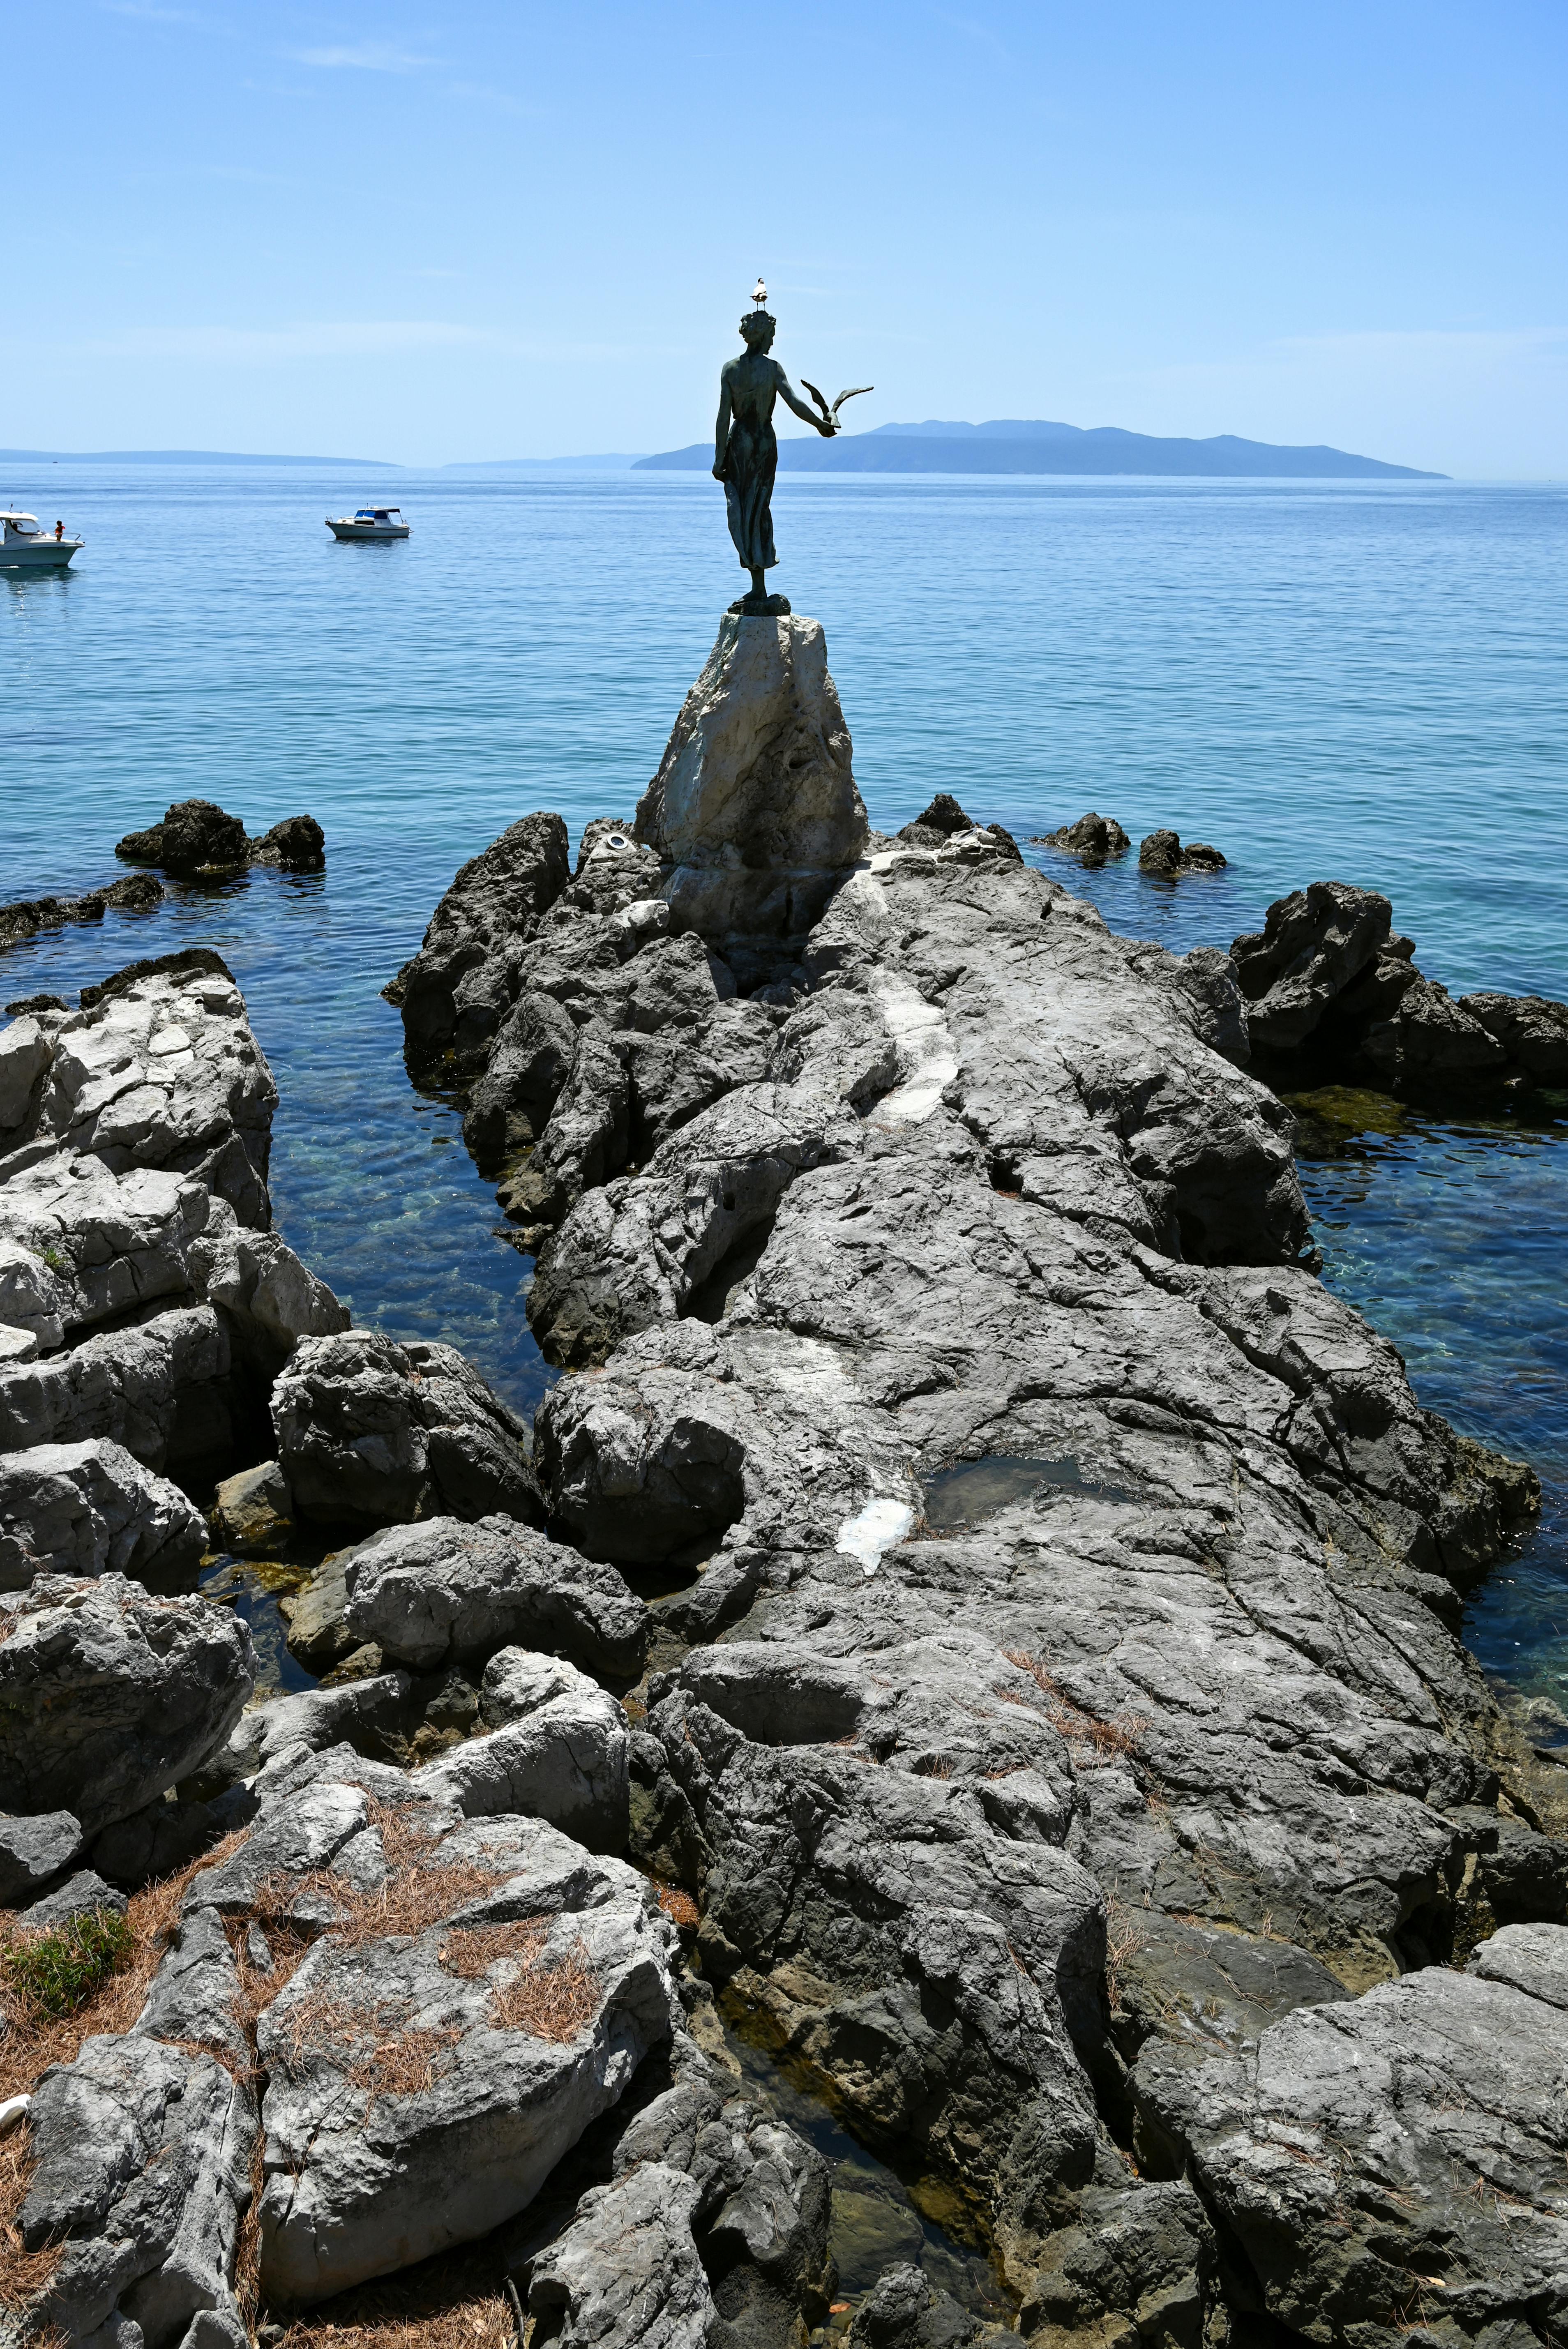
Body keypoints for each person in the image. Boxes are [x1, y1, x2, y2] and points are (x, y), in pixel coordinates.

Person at [713, 307, 836, 608]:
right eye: (772, 336)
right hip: (762, 443)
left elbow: (723, 418)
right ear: (764, 334)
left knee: (743, 512)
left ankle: (758, 586)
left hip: (740, 444)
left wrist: (719, 457)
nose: (773, 342)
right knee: (757, 510)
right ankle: (759, 586)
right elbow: (794, 401)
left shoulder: (730, 370)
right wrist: (820, 424)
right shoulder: (772, 369)